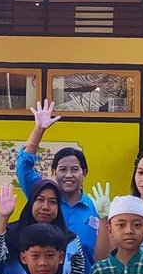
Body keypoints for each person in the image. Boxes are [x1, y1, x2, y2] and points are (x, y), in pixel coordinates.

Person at [16, 100, 98, 260]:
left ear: (84, 173)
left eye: (75, 170)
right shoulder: (44, 199)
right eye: (62, 169)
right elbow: (23, 168)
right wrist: (38, 130)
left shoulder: (95, 208)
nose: (68, 175)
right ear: (53, 172)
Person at [0, 180, 87, 274]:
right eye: (40, 200)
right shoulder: (12, 234)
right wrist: (3, 217)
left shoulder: (70, 241)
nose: (45, 207)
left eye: (52, 202)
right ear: (31, 202)